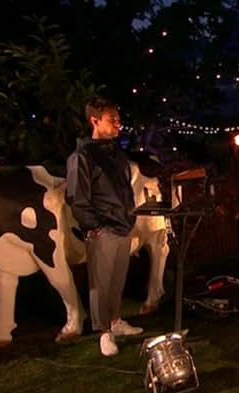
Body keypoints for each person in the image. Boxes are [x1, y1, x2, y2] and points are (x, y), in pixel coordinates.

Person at [66, 97, 143, 357]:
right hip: (103, 230)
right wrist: (94, 227)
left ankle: (116, 321)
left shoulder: (116, 153)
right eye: (113, 120)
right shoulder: (83, 156)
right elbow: (77, 197)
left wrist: (130, 217)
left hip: (122, 226)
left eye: (119, 120)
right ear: (95, 121)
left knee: (117, 280)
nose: (118, 124)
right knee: (100, 283)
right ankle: (103, 333)